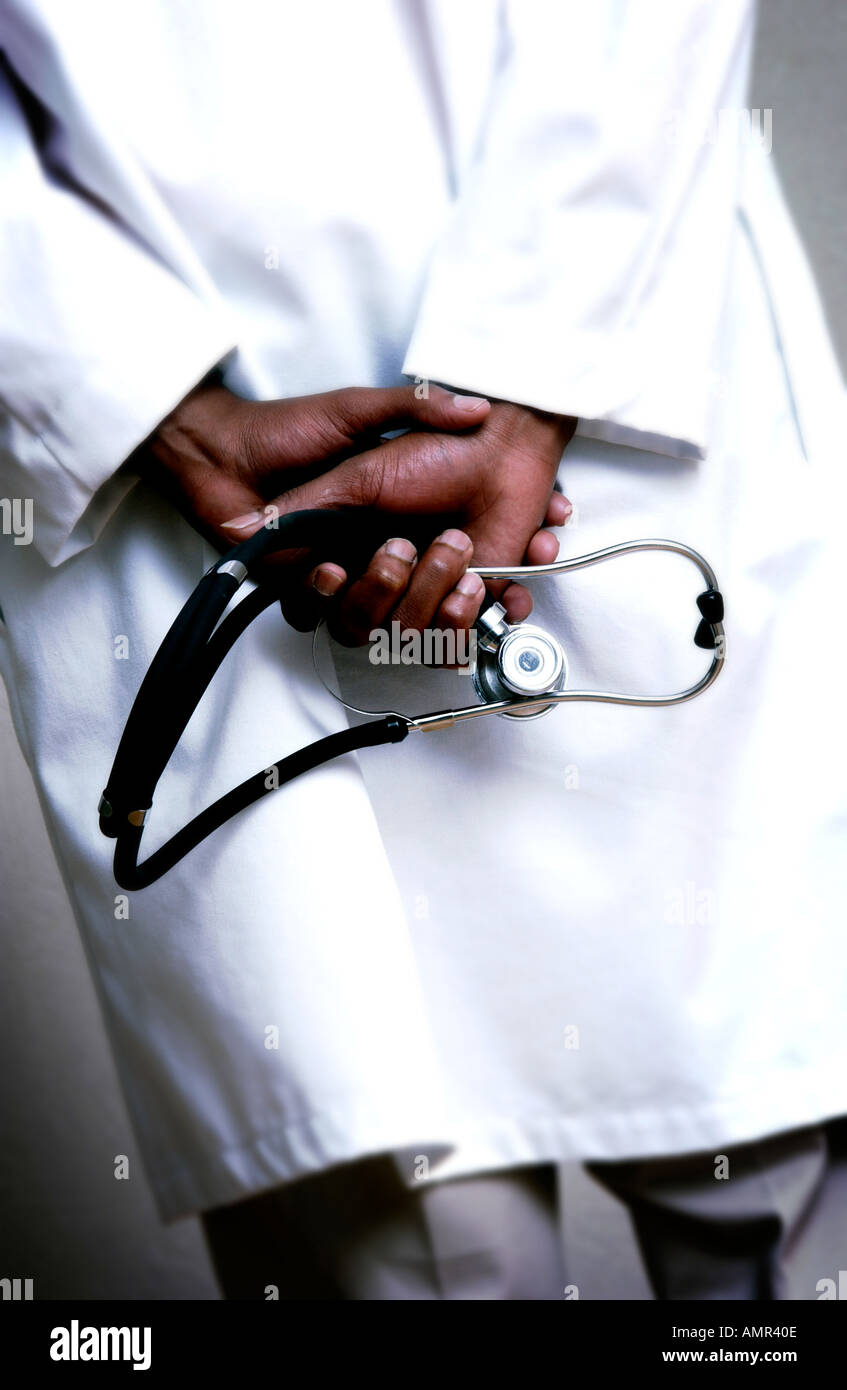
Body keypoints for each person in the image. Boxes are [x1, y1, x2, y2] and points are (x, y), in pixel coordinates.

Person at [1, 0, 845, 1300]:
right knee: (402, 1257)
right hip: (179, 482)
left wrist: (530, 365)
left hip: (635, 376)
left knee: (774, 1211)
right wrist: (135, 395)